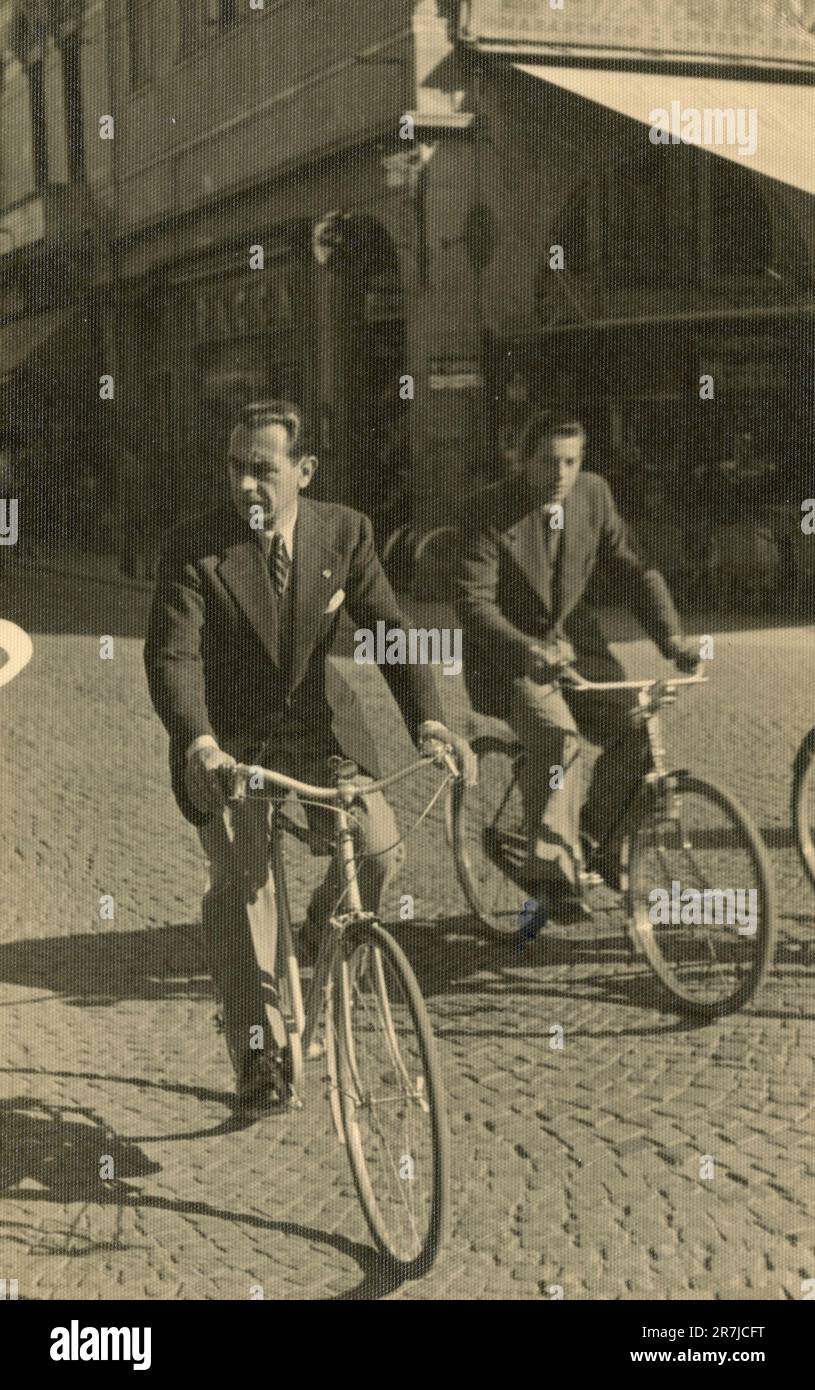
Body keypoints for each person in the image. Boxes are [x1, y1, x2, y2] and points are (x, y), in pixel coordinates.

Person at [144, 400, 474, 1113]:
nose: (244, 486)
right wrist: (199, 742)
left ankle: (325, 934)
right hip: (230, 747)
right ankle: (258, 1056)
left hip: (320, 733)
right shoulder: (193, 547)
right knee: (243, 889)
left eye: (262, 470)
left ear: (303, 470)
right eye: (235, 468)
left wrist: (432, 725)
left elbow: (392, 632)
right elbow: (174, 657)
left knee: (380, 853)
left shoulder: (344, 531)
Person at [457, 409, 698, 924]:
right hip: (505, 656)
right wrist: (528, 649)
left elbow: (634, 569)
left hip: (570, 642)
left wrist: (673, 639)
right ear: (522, 461)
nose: (561, 474)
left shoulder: (593, 495)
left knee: (637, 723)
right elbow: (473, 603)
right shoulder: (488, 509)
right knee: (558, 738)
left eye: (571, 461)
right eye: (548, 461)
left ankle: (595, 840)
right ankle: (551, 880)